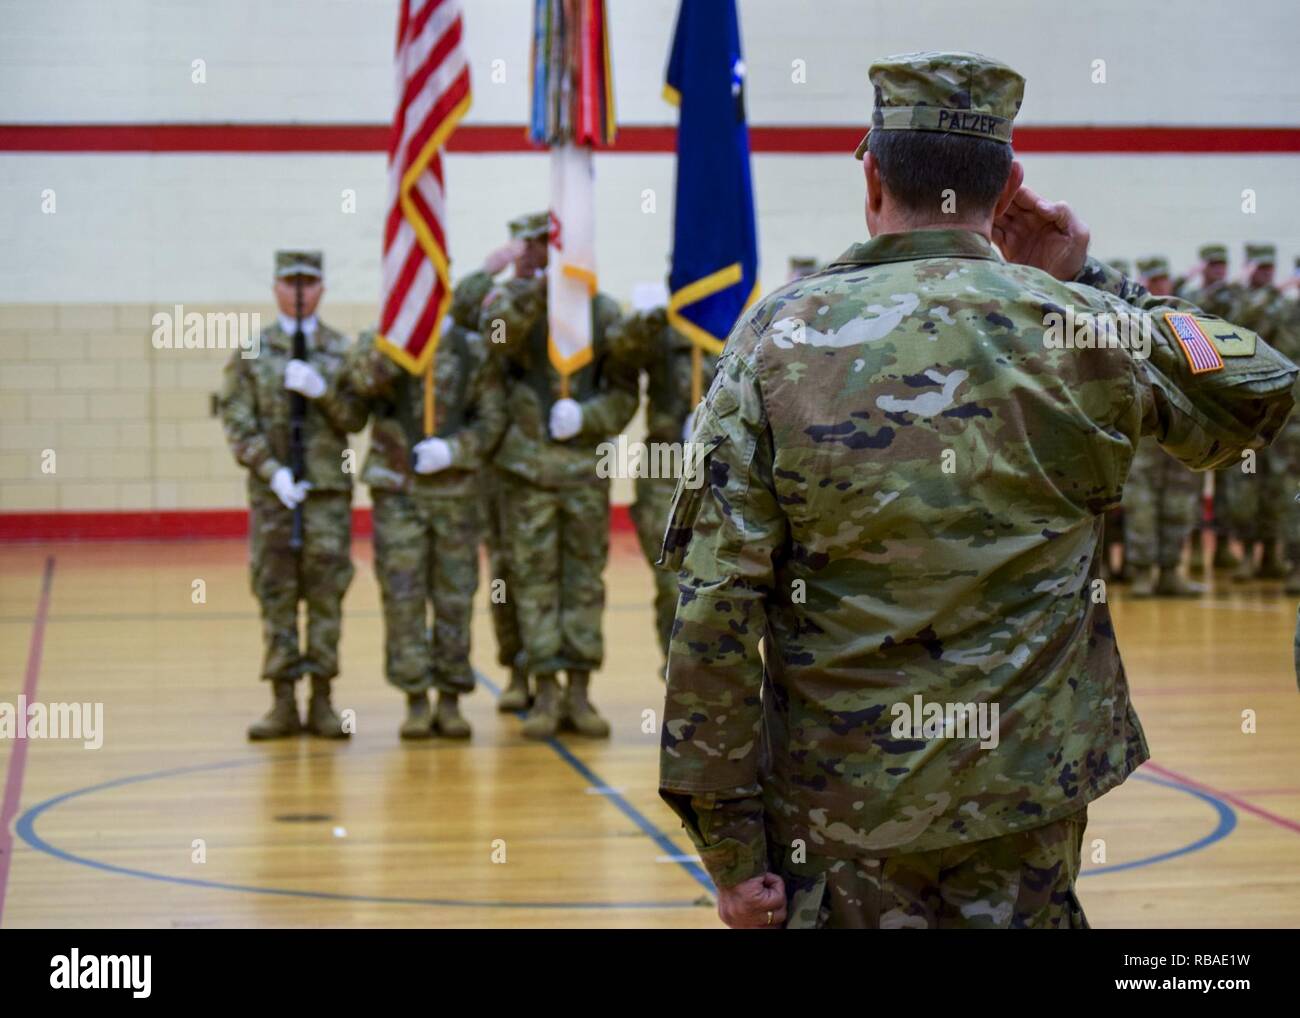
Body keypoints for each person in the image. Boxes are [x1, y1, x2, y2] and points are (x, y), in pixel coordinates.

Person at [657, 51, 1297, 930]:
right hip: (1025, 804)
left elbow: (714, 606)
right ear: (1007, 192)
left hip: (838, 813)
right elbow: (1258, 386)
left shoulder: (777, 342)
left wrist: (729, 847)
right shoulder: (1079, 328)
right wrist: (1091, 279)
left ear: (873, 177)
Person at [481, 212, 639, 739]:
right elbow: (495, 339)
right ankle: (543, 688)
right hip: (527, 473)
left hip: (583, 474)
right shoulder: (514, 309)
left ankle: (579, 690)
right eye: (537, 249)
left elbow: (622, 393)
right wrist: (533, 288)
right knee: (531, 582)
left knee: (583, 583)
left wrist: (588, 418)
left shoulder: (603, 312)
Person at [341, 294, 506, 739]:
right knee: (403, 595)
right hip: (399, 490)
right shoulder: (382, 343)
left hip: (456, 492)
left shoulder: (473, 351)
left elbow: (492, 420)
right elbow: (359, 382)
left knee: (454, 596)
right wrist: (397, 343)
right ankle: (414, 697)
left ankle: (450, 697)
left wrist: (455, 450)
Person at [220, 250, 363, 740]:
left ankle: (323, 699)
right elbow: (237, 421)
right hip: (274, 495)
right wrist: (272, 470)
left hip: (325, 495)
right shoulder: (253, 352)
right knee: (276, 590)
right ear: (275, 287)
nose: (299, 292)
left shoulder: (342, 351)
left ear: (322, 288)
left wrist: (323, 390)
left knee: (326, 594)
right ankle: (282, 700)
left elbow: (356, 417)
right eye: (290, 282)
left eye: (309, 282)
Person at [610, 301, 718, 678]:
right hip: (664, 465)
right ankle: (678, 671)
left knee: (722, 586)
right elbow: (618, 350)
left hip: (722, 466)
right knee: (672, 582)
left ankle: (716, 676)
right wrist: (653, 314)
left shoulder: (740, 314)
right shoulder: (662, 327)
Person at [1121, 256, 1204, 597]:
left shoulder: (1184, 321)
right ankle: (1141, 571)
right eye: (1154, 280)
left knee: (1178, 502)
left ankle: (1170, 571)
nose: (1161, 286)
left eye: (1164, 280)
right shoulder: (1126, 321)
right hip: (1144, 430)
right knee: (1142, 502)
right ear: (1143, 281)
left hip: (1181, 426)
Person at [1226, 243, 1289, 581]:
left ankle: (1271, 555)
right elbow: (1237, 325)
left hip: (1282, 413)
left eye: (1270, 268)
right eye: (1259, 269)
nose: (1266, 275)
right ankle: (1247, 554)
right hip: (1248, 412)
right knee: (1245, 488)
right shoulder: (1239, 301)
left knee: (1276, 488)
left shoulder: (1284, 303)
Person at [1181, 244, 1240, 572]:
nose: (1219, 270)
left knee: (1230, 484)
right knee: (1190, 480)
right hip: (1195, 401)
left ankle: (1223, 550)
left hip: (1227, 403)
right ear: (1202, 265)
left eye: (1223, 265)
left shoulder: (1236, 298)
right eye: (1213, 265)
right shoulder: (1187, 295)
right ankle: (1193, 552)